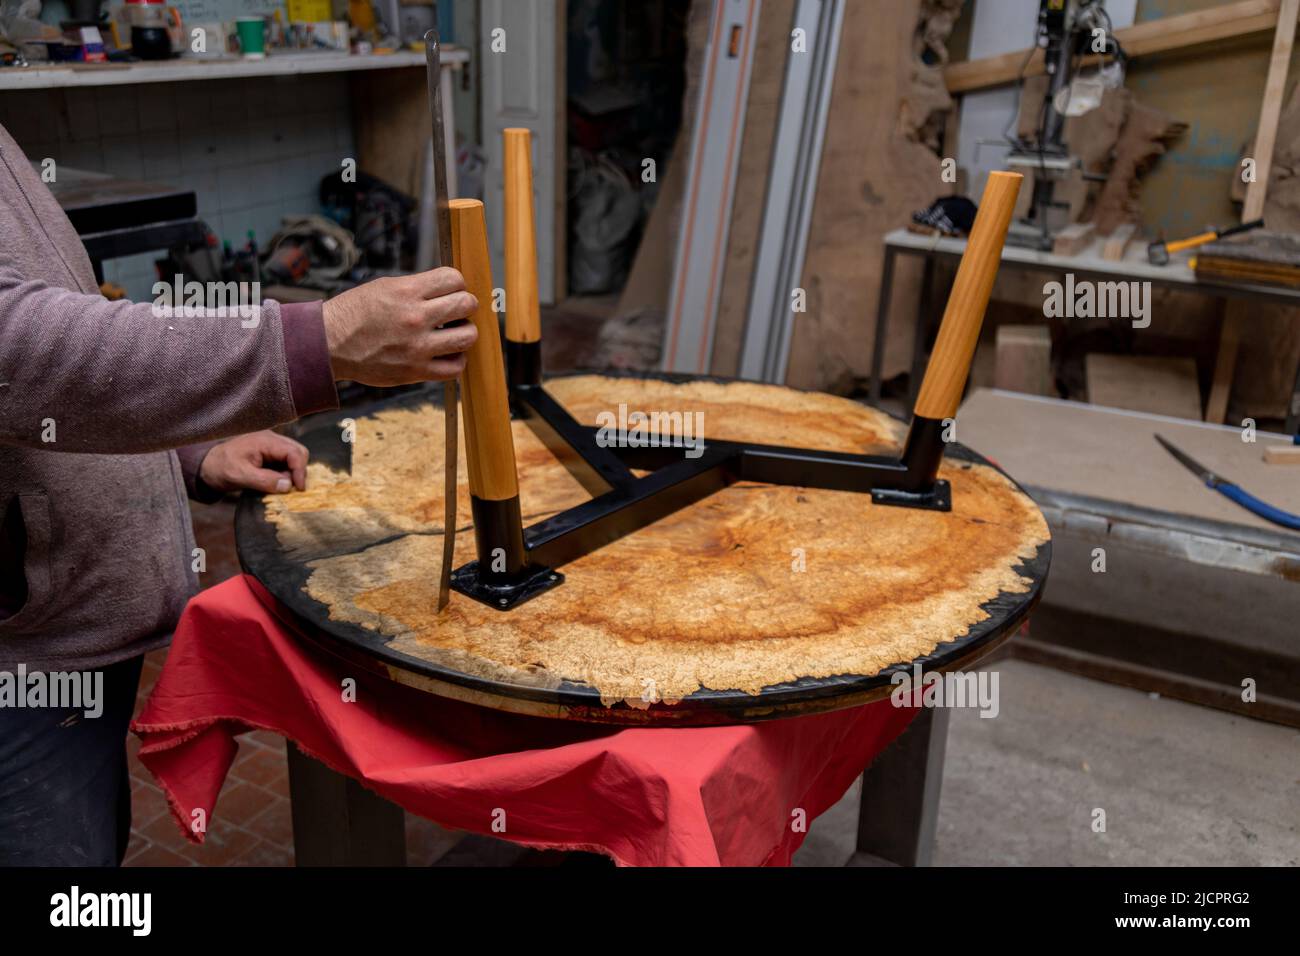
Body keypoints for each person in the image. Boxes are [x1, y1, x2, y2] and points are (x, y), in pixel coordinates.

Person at [0, 122, 477, 865]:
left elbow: (58, 361)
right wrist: (317, 340)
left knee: (89, 843)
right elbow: (19, 348)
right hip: (21, 661)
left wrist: (191, 452)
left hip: (65, 615)